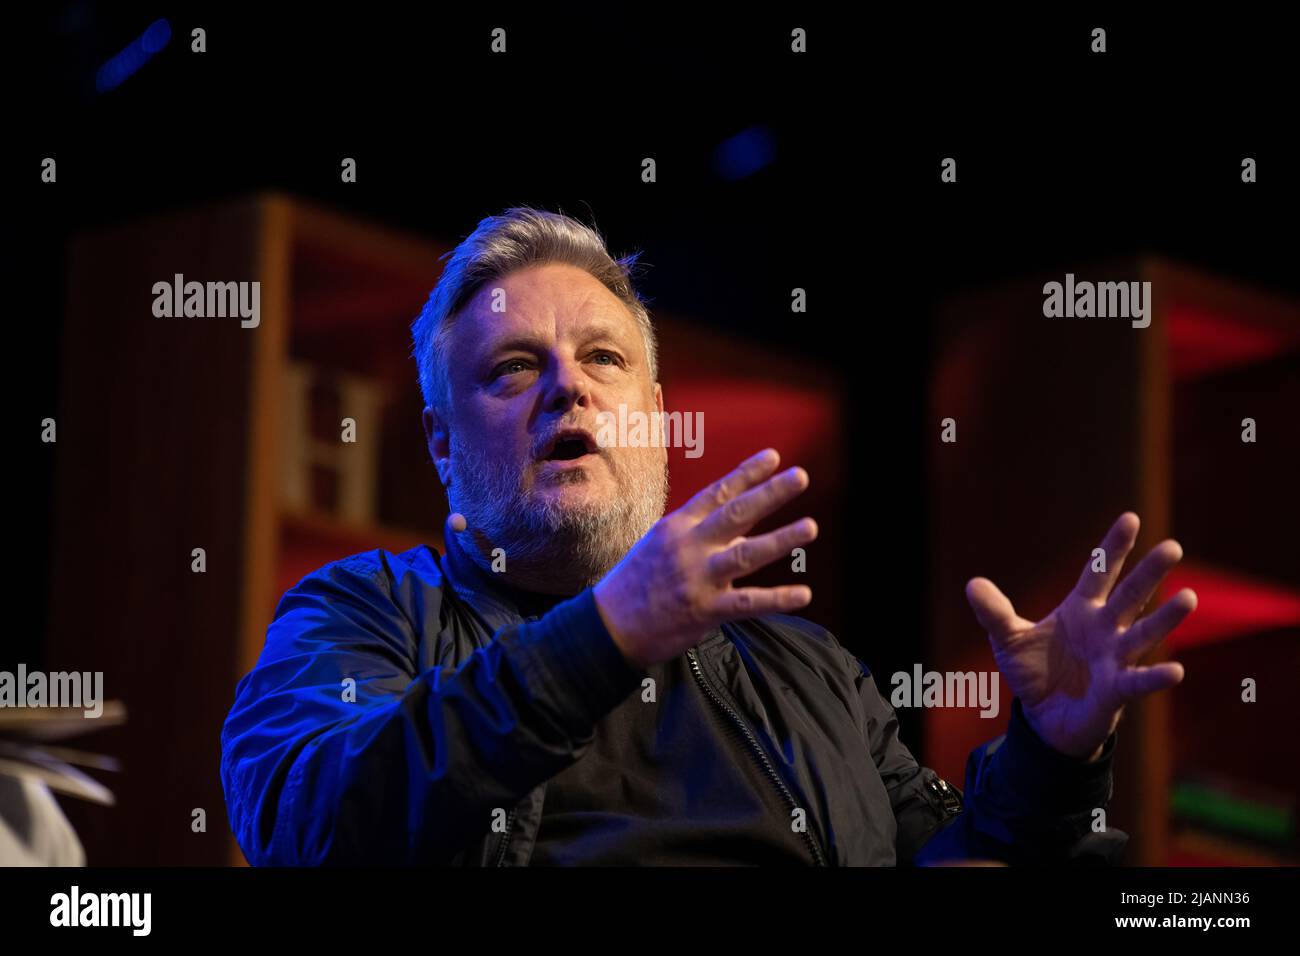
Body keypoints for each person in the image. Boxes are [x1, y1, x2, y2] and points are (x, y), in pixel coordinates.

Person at [219, 208, 1196, 865]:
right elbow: (308, 820)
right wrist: (606, 633)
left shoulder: (806, 666)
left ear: (649, 411)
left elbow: (948, 854)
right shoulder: (365, 611)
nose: (570, 384)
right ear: (440, 439)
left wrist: (1049, 760)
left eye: (602, 356)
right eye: (516, 367)